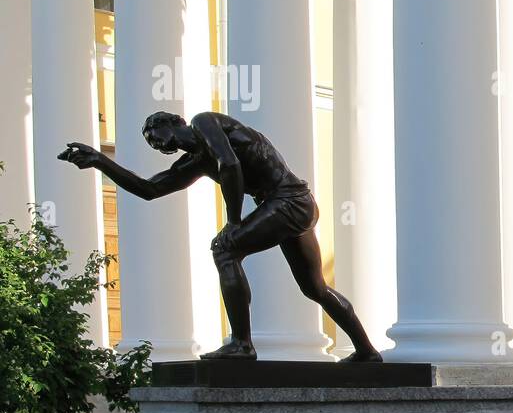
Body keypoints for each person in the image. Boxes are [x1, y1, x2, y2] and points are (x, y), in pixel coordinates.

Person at [60, 111, 383, 362]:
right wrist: (101, 162)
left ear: (174, 122)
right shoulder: (196, 160)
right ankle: (367, 351)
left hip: (288, 200)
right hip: (292, 204)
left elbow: (229, 164)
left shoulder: (205, 122)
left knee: (224, 249)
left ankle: (242, 344)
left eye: (153, 134)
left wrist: (233, 222)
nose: (155, 143)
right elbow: (150, 189)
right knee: (316, 288)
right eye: (150, 143)